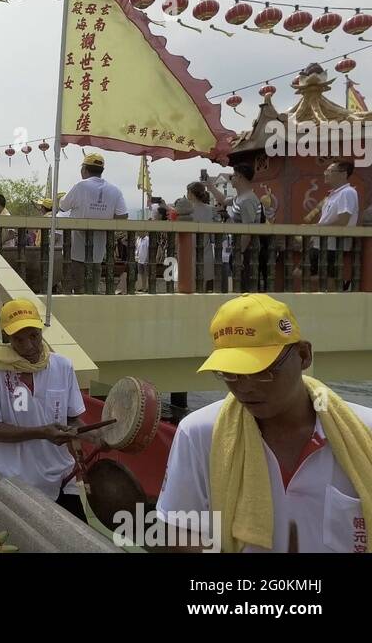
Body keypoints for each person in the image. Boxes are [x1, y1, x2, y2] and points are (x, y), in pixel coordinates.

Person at [157, 294, 372, 552]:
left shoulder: (363, 434)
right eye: (230, 373)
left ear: (304, 355)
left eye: (263, 371)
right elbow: (180, 528)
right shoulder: (200, 433)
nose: (245, 387)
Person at [0, 299, 95, 521]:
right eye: (19, 339)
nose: (29, 346)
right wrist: (41, 432)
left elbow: (73, 419)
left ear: (41, 331)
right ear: (7, 339)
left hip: (62, 478)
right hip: (17, 480)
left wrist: (98, 437)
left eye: (33, 336)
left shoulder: (63, 366)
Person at [59, 153, 128, 293]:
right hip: (98, 251)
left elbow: (63, 206)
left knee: (77, 288)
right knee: (93, 289)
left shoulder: (80, 186)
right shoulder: (114, 190)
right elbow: (123, 215)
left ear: (84, 169)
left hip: (76, 251)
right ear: (101, 170)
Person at [207, 164, 261, 290]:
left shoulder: (247, 200)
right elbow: (224, 200)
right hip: (239, 246)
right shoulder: (240, 198)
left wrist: (240, 253)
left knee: (246, 284)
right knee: (240, 283)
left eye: (233, 175)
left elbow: (248, 230)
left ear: (240, 177)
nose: (231, 178)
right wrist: (210, 187)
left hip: (247, 249)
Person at [307, 160, 359, 291]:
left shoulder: (348, 192)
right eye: (326, 171)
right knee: (300, 273)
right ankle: (340, 287)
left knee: (328, 278)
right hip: (320, 242)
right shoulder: (332, 195)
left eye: (330, 171)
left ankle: (338, 291)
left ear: (343, 174)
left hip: (333, 245)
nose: (326, 174)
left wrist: (319, 228)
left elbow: (343, 220)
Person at [176, 182, 218, 290]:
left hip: (188, 251)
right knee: (203, 287)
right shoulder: (211, 209)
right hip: (206, 250)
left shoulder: (186, 210)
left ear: (190, 193)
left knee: (188, 286)